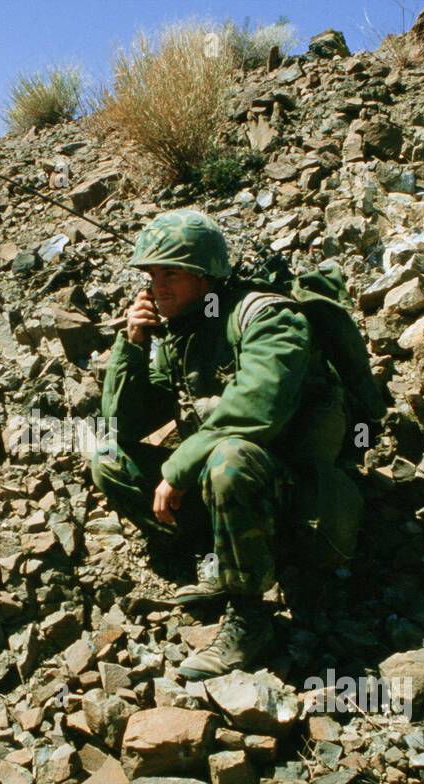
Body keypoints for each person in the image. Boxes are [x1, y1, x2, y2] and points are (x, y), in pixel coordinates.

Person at [91, 209, 354, 680]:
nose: (157, 286)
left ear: (207, 275)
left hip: (299, 503)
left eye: (171, 272)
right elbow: (122, 425)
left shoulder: (267, 316)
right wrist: (131, 344)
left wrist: (176, 470)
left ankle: (250, 617)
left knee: (228, 458)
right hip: (228, 498)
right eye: (151, 274)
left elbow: (259, 408)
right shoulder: (180, 335)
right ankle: (217, 558)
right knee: (108, 458)